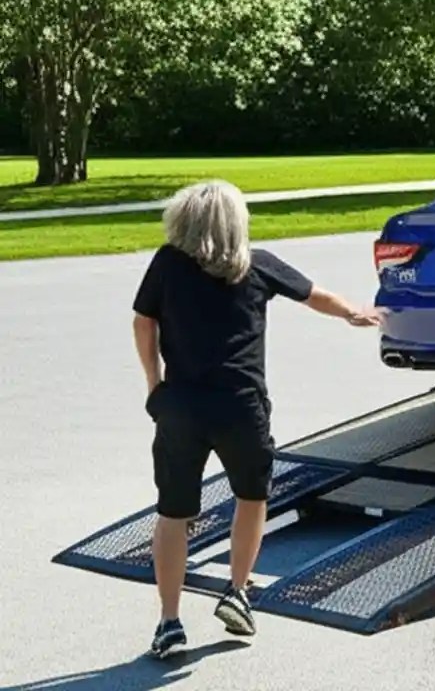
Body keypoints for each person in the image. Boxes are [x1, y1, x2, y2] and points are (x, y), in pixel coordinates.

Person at [131, 180, 382, 657]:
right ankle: (238, 592)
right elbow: (314, 295)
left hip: (181, 405)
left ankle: (169, 621)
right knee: (252, 496)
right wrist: (354, 312)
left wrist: (154, 383)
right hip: (241, 406)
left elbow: (143, 322)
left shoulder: (167, 264)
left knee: (173, 511)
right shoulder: (256, 264)